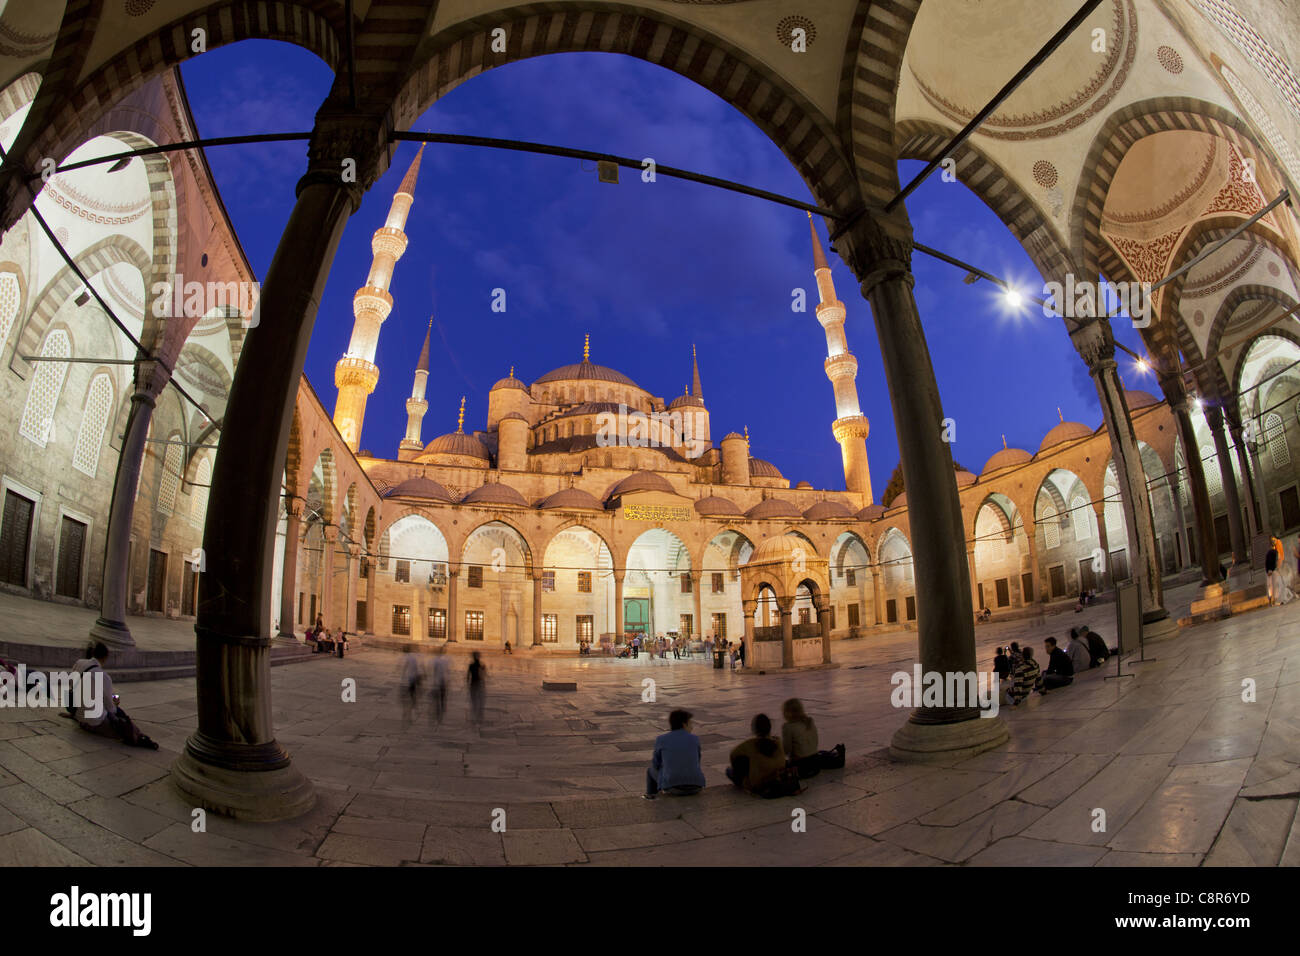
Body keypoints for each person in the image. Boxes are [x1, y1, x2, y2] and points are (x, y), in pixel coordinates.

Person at [68, 643, 158, 749]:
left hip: (77, 713)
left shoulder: (79, 663)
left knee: (114, 710)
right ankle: (137, 736)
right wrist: (114, 702)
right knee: (120, 720)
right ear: (105, 657)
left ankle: (134, 730)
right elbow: (111, 708)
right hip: (93, 722)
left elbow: (71, 683)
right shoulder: (104, 677)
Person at [727, 714, 798, 797]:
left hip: (758, 785)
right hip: (777, 779)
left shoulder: (750, 744)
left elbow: (733, 755)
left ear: (755, 730)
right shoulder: (778, 741)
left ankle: (744, 782)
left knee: (729, 770)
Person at [644, 709, 706, 799]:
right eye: (691, 724)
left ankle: (651, 797)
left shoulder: (661, 739)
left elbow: (656, 763)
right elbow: (698, 761)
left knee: (650, 770)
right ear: (684, 724)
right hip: (696, 786)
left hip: (673, 788)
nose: (692, 727)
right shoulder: (694, 739)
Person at [780, 698, 845, 778]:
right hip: (815, 765)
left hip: (801, 768)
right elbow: (815, 742)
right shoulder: (809, 721)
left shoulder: (788, 727)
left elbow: (786, 750)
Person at [400, 648, 422, 723]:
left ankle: (410, 714)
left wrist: (403, 676)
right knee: (412, 696)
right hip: (414, 679)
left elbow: (405, 667)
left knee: (409, 697)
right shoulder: (414, 657)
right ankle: (414, 710)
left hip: (410, 680)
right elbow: (417, 668)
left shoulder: (407, 658)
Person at [467, 651, 487, 726]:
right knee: (479, 701)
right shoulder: (481, 665)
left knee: (474, 702)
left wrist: (467, 684)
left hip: (474, 684)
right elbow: (484, 675)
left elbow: (468, 676)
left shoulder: (471, 665)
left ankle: (476, 717)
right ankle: (479, 716)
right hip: (479, 684)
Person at [429, 652, 449, 723]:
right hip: (442, 682)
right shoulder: (445, 661)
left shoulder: (436, 662)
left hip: (438, 682)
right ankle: (442, 708)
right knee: (442, 697)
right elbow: (447, 672)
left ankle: (439, 712)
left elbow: (435, 672)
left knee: (438, 698)